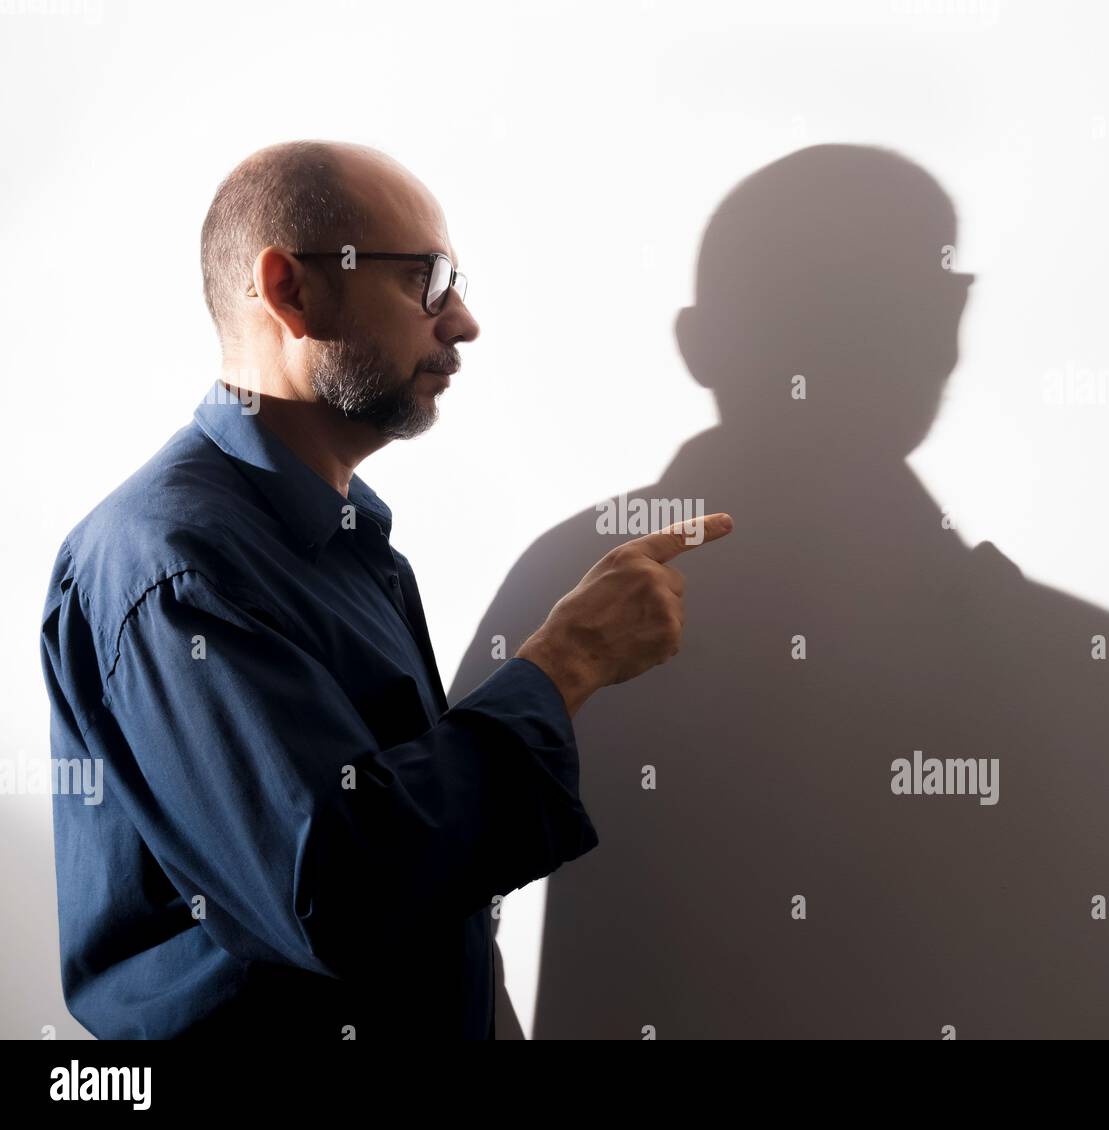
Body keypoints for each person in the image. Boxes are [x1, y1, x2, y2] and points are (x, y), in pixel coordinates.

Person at [38, 139, 733, 1039]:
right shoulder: (172, 565)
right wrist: (570, 662)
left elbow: (416, 890)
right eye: (427, 281)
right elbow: (335, 890)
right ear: (289, 290)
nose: (465, 321)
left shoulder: (353, 543)